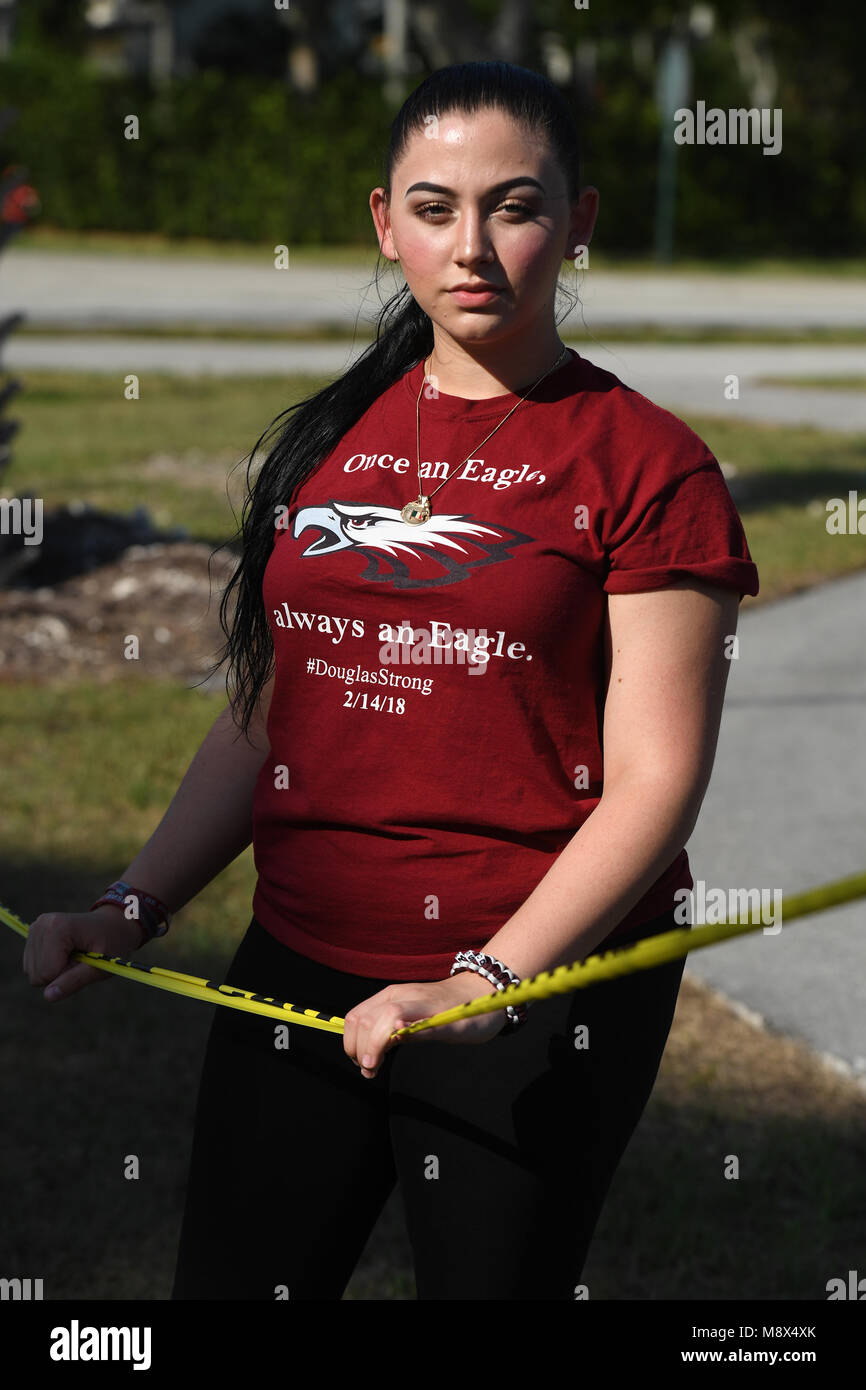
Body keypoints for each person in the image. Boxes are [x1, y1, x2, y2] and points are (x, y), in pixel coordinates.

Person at [23, 60, 759, 1301]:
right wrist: (133, 905)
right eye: (433, 208)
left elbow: (654, 780)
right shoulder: (328, 442)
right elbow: (266, 722)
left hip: (532, 987)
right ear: (384, 223)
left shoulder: (647, 468)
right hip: (298, 962)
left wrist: (489, 978)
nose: (470, 246)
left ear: (576, 221)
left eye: (513, 206)